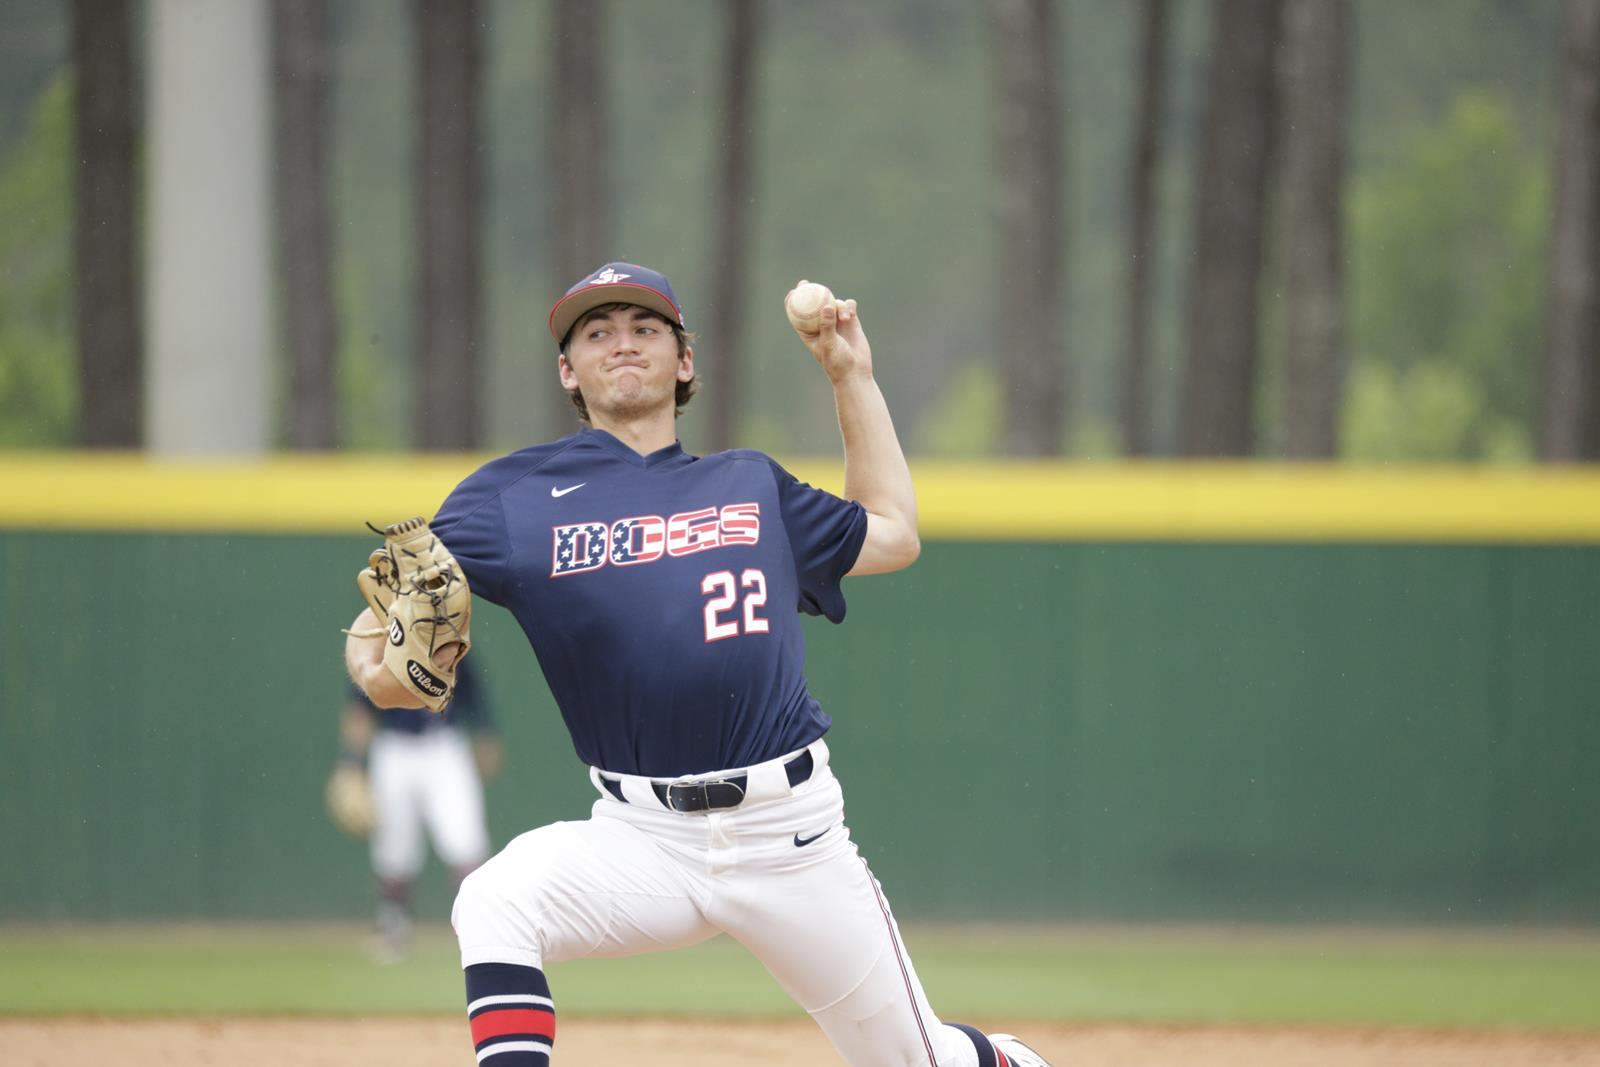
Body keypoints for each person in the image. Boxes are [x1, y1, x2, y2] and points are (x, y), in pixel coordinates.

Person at [343, 262, 1055, 1066]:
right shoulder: (511, 498)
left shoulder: (749, 483)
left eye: (645, 328)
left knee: (920, 1059)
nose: (622, 343)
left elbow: (892, 531)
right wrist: (378, 670)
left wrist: (849, 376)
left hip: (788, 834)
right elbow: (379, 625)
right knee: (494, 897)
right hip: (641, 836)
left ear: (684, 360)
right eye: (597, 332)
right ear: (567, 370)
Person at [329, 658, 501, 962]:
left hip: (444, 744)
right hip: (394, 746)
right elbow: (360, 707)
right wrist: (352, 762)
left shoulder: (449, 639)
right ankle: (392, 928)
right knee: (394, 847)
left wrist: (484, 736)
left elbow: (474, 695)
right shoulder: (381, 645)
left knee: (465, 840)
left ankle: (479, 929)